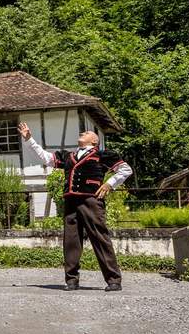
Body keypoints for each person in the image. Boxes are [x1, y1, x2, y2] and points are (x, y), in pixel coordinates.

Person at [18, 122, 133, 291]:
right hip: (71, 201)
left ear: (94, 141)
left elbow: (125, 169)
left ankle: (113, 279)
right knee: (71, 241)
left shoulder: (102, 155)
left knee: (100, 238)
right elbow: (46, 158)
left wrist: (109, 184)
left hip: (91, 201)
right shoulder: (69, 156)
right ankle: (71, 280)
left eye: (86, 133)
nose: (82, 133)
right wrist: (29, 139)